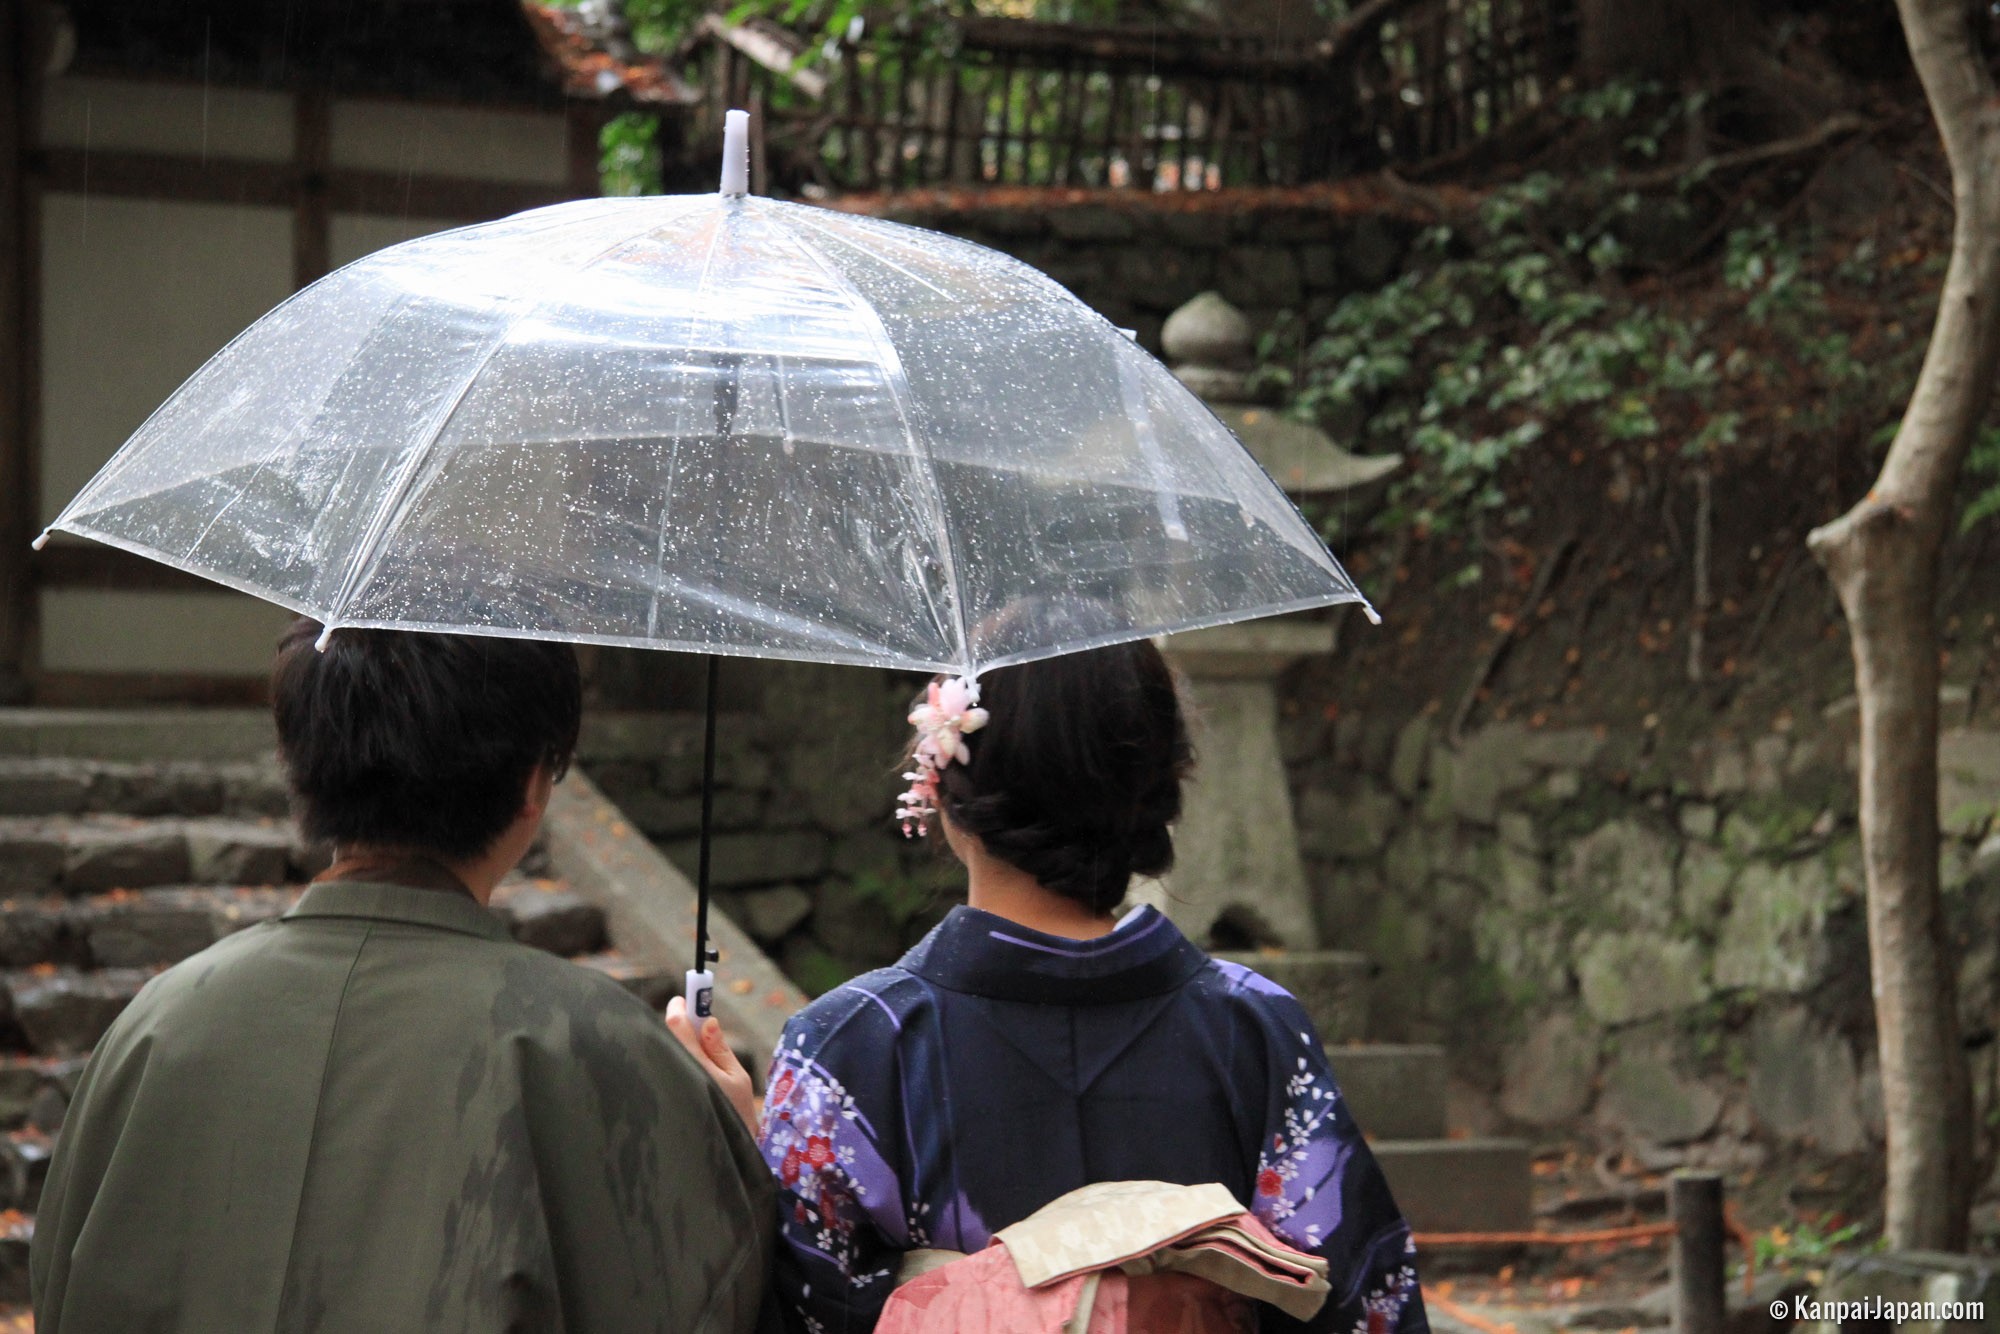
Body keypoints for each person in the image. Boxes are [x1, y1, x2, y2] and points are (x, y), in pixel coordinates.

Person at [31, 620, 774, 1334]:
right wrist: (725, 1152)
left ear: (300, 764)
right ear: (532, 787)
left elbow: (64, 1292)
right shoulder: (600, 1050)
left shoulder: (157, 1027)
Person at [675, 636, 1427, 1334]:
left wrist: (757, 1160)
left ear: (940, 789)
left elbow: (806, 1311)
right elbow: (1365, 1303)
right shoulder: (1255, 1026)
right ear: (1160, 788)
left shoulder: (851, 1045)